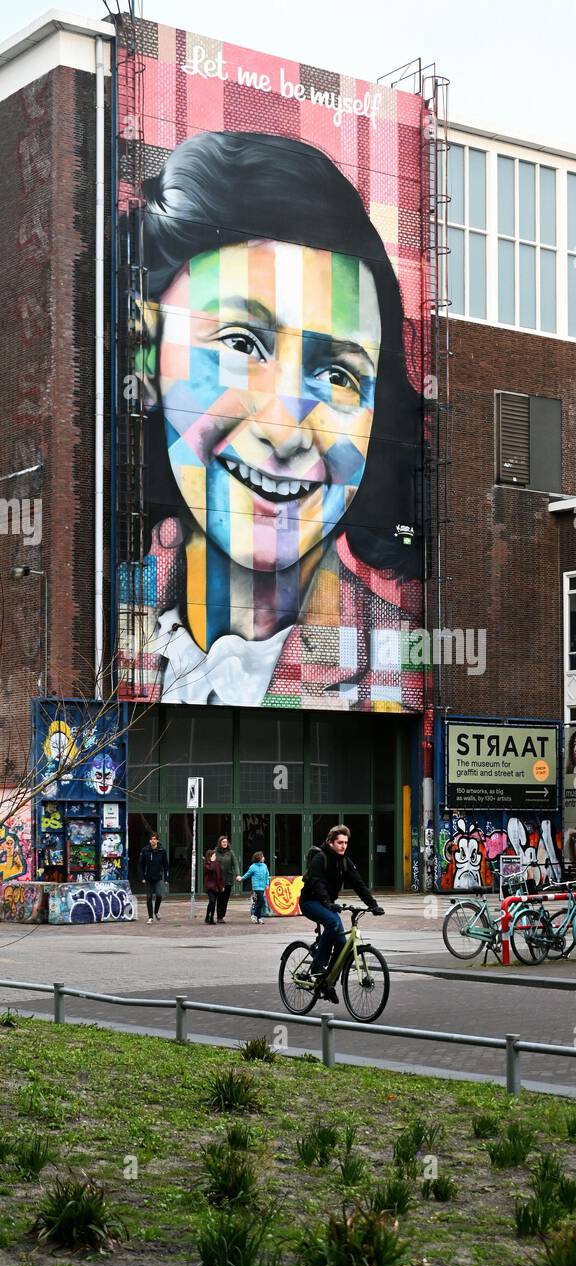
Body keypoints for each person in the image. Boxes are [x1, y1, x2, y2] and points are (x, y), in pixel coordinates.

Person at [127, 130, 423, 710]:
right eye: (240, 344)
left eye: (338, 375)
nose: (286, 430)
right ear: (147, 347)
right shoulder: (99, 614)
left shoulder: (404, 666)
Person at [299, 824, 384, 1002]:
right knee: (333, 923)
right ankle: (317, 965)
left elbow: (359, 884)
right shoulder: (320, 859)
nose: (343, 846)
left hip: (327, 904)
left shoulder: (345, 862)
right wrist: (328, 903)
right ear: (330, 842)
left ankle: (327, 983)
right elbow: (318, 884)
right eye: (340, 842)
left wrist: (373, 905)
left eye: (346, 842)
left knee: (342, 944)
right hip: (310, 902)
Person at [138, 833, 169, 923]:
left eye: (155, 839)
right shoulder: (145, 850)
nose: (153, 841)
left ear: (157, 840)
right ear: (149, 840)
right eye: (151, 839)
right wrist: (142, 877)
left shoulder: (162, 851)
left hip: (158, 877)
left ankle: (156, 911)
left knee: (159, 895)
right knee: (149, 897)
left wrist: (166, 878)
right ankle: (150, 917)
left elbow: (166, 865)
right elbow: (141, 865)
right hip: (148, 877)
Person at [213, 835, 241, 922]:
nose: (225, 843)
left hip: (228, 878)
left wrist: (237, 874)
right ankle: (219, 917)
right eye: (223, 842)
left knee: (225, 898)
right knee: (220, 898)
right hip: (219, 879)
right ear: (220, 843)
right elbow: (211, 862)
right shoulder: (215, 852)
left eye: (226, 842)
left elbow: (235, 863)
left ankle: (222, 915)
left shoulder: (230, 852)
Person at [240, 851, 270, 924]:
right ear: (259, 858)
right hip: (256, 887)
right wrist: (241, 878)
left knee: (259, 902)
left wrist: (267, 884)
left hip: (262, 887)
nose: (264, 858)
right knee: (261, 901)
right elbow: (248, 874)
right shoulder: (253, 866)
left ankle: (258, 918)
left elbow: (267, 875)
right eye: (262, 856)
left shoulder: (264, 866)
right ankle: (255, 915)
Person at [203, 848, 224, 925]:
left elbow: (220, 875)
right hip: (210, 886)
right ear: (210, 856)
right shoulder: (207, 864)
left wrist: (222, 885)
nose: (215, 857)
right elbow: (211, 869)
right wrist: (211, 862)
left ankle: (210, 917)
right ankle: (208, 917)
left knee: (213, 902)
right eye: (214, 855)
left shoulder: (217, 864)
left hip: (217, 886)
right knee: (212, 901)